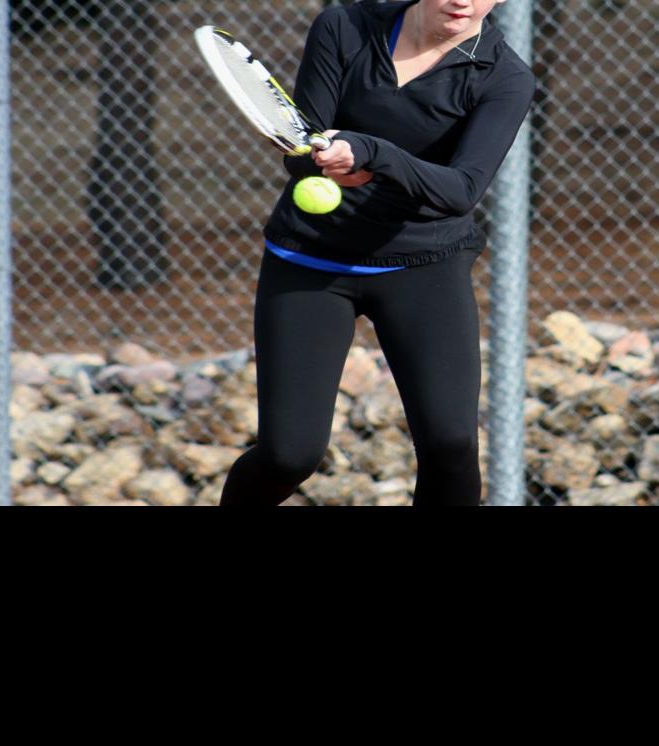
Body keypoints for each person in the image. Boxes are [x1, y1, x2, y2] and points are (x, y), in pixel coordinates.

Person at [220, 0, 533, 506]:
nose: (463, 0)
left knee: (450, 445)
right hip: (310, 262)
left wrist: (374, 155)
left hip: (425, 266)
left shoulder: (504, 78)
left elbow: (461, 189)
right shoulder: (343, 27)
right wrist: (328, 160)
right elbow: (301, 155)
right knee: (288, 455)